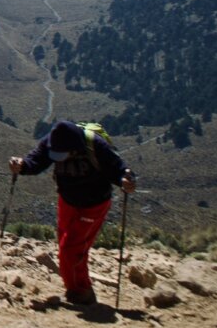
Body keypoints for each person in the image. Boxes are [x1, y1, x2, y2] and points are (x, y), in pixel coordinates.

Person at [10, 120, 137, 306]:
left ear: (76, 148)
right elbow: (37, 160)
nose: (59, 158)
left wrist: (126, 179)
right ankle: (76, 290)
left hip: (94, 204)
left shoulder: (94, 145)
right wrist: (22, 165)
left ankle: (81, 292)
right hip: (67, 200)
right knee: (66, 247)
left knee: (71, 249)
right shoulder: (53, 140)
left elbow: (117, 168)